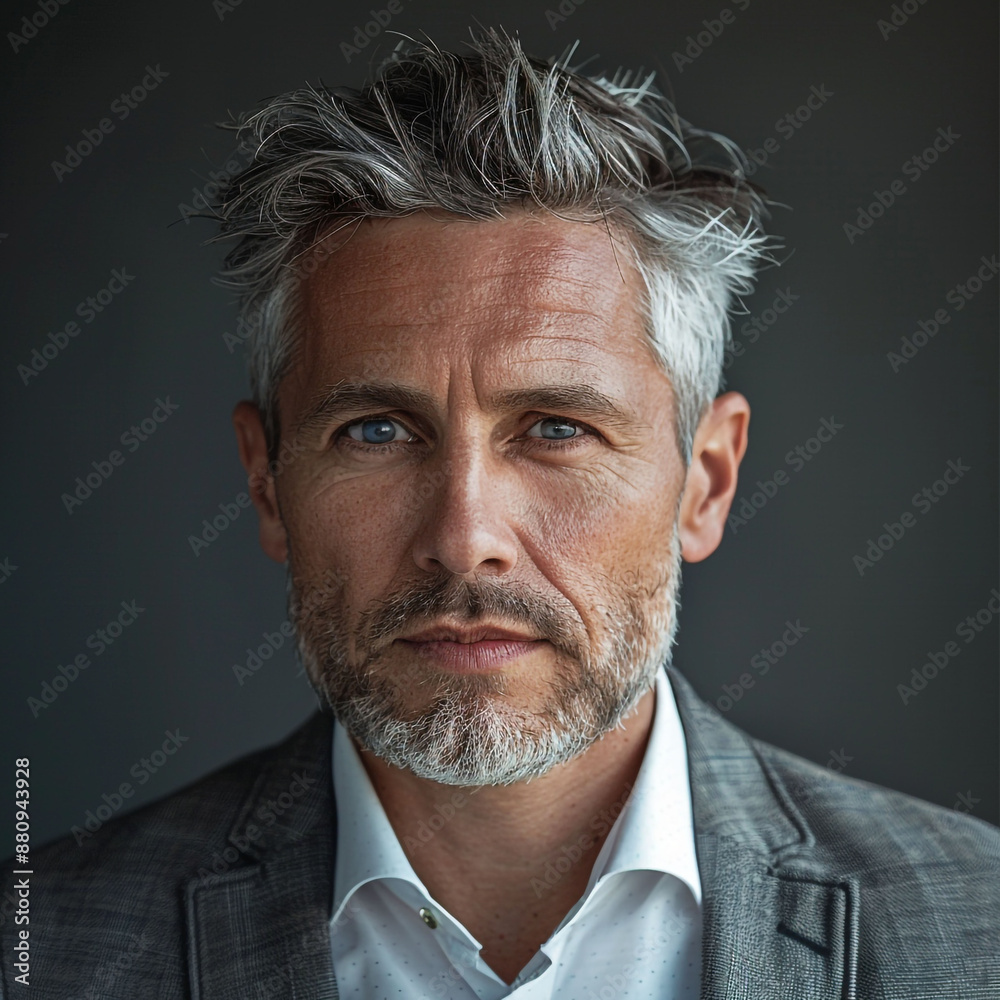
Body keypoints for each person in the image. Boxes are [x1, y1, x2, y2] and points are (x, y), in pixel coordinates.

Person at [2, 27, 997, 1000]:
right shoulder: (42, 948)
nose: (464, 538)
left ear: (706, 481)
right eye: (377, 432)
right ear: (267, 483)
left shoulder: (978, 930)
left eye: (557, 429)